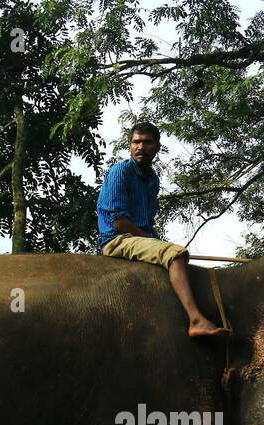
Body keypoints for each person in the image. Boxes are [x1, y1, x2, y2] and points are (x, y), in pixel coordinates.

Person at [96, 122, 228, 338]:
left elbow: (146, 223)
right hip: (118, 239)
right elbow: (120, 223)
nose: (140, 147)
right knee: (174, 254)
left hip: (138, 238)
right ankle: (195, 320)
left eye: (146, 142)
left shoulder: (152, 180)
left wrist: (153, 239)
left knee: (179, 258)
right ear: (130, 146)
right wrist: (156, 242)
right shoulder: (121, 171)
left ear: (157, 146)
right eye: (136, 142)